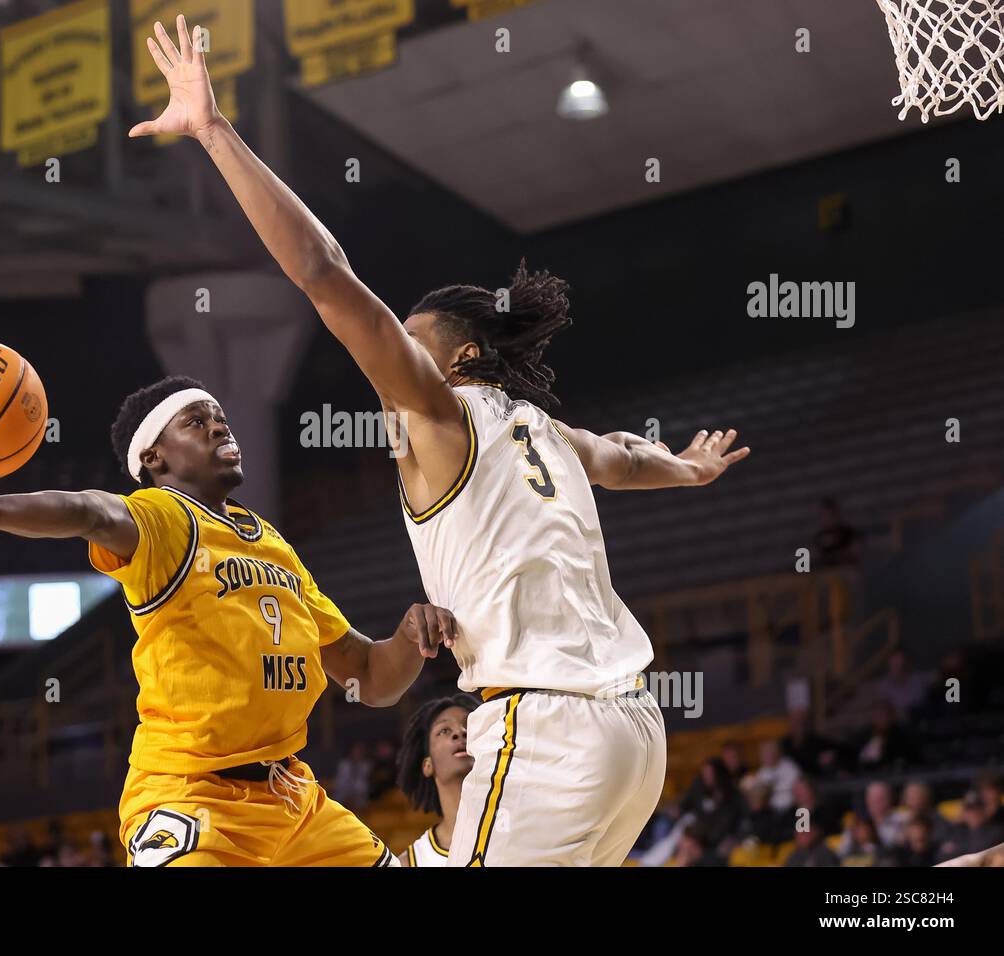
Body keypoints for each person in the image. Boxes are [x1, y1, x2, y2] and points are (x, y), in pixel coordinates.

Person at [131, 13, 750, 867]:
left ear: (459, 356)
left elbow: (323, 273)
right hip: (634, 733)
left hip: (546, 724)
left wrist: (213, 131)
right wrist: (686, 468)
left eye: (410, 337)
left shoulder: (438, 412)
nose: (390, 355)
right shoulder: (548, 433)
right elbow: (624, 456)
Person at [0, 376, 456, 868]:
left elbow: (371, 676)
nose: (219, 423)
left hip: (292, 800)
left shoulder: (273, 545)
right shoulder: (163, 519)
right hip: (191, 796)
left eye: (219, 415)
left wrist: (410, 636)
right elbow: (88, 511)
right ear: (154, 457)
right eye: (195, 421)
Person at [394, 694, 479, 866]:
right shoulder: (410, 862)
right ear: (428, 765)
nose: (460, 732)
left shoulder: (524, 825)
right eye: (444, 730)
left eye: (469, 725)